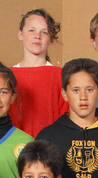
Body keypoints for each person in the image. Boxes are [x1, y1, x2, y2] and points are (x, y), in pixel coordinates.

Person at [11, 8, 68, 138]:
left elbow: (66, 120)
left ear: (52, 39)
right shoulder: (7, 76)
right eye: (32, 30)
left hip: (51, 150)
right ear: (20, 34)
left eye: (44, 32)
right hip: (14, 150)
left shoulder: (61, 75)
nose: (38, 36)